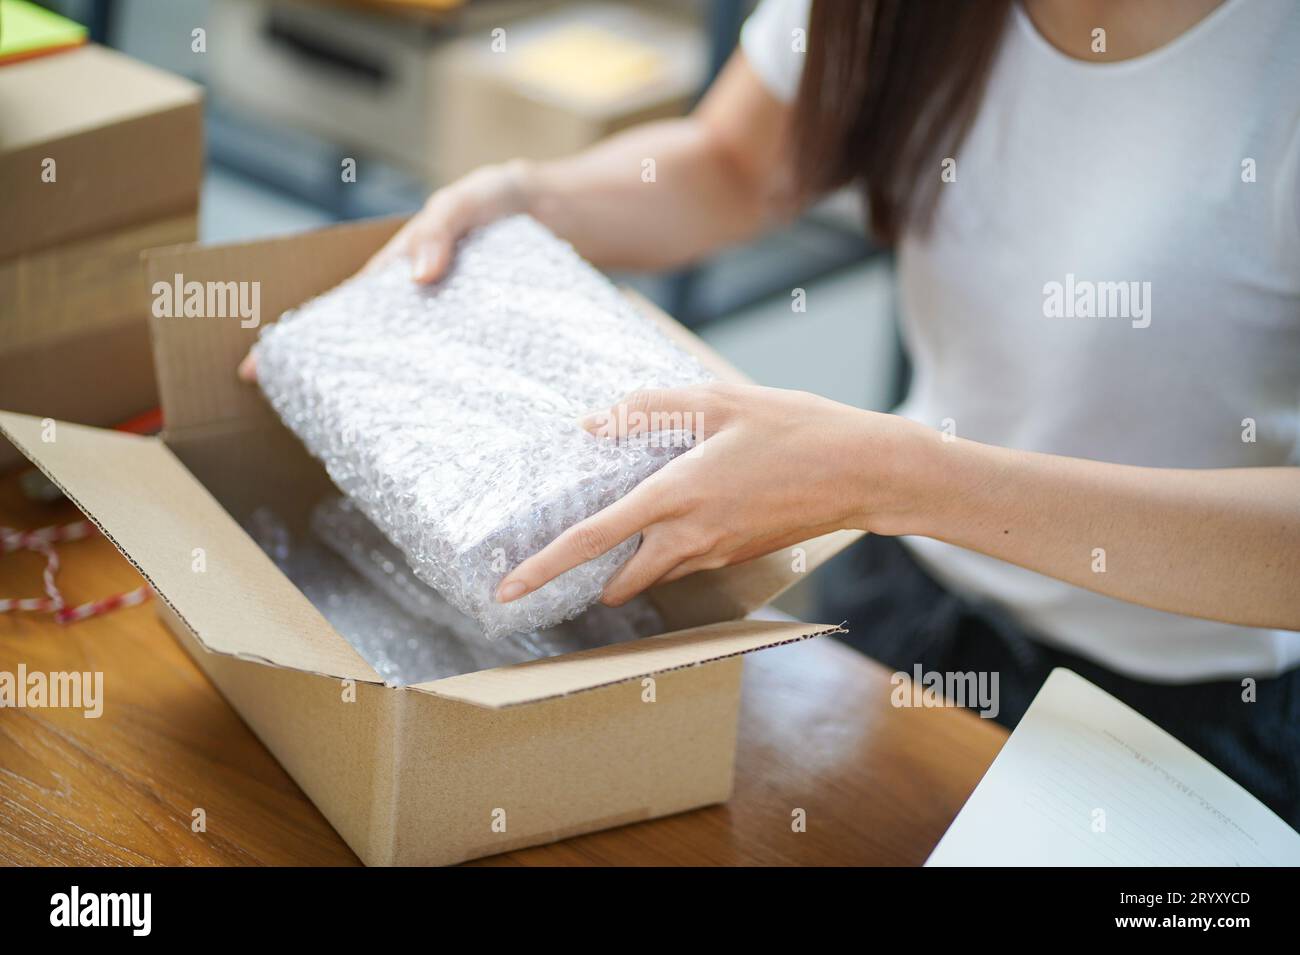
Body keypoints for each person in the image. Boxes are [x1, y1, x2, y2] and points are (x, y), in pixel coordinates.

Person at [241, 0, 1300, 824]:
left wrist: (894, 473)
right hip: (912, 601)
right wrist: (530, 198)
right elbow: (736, 162)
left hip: (1197, 702)